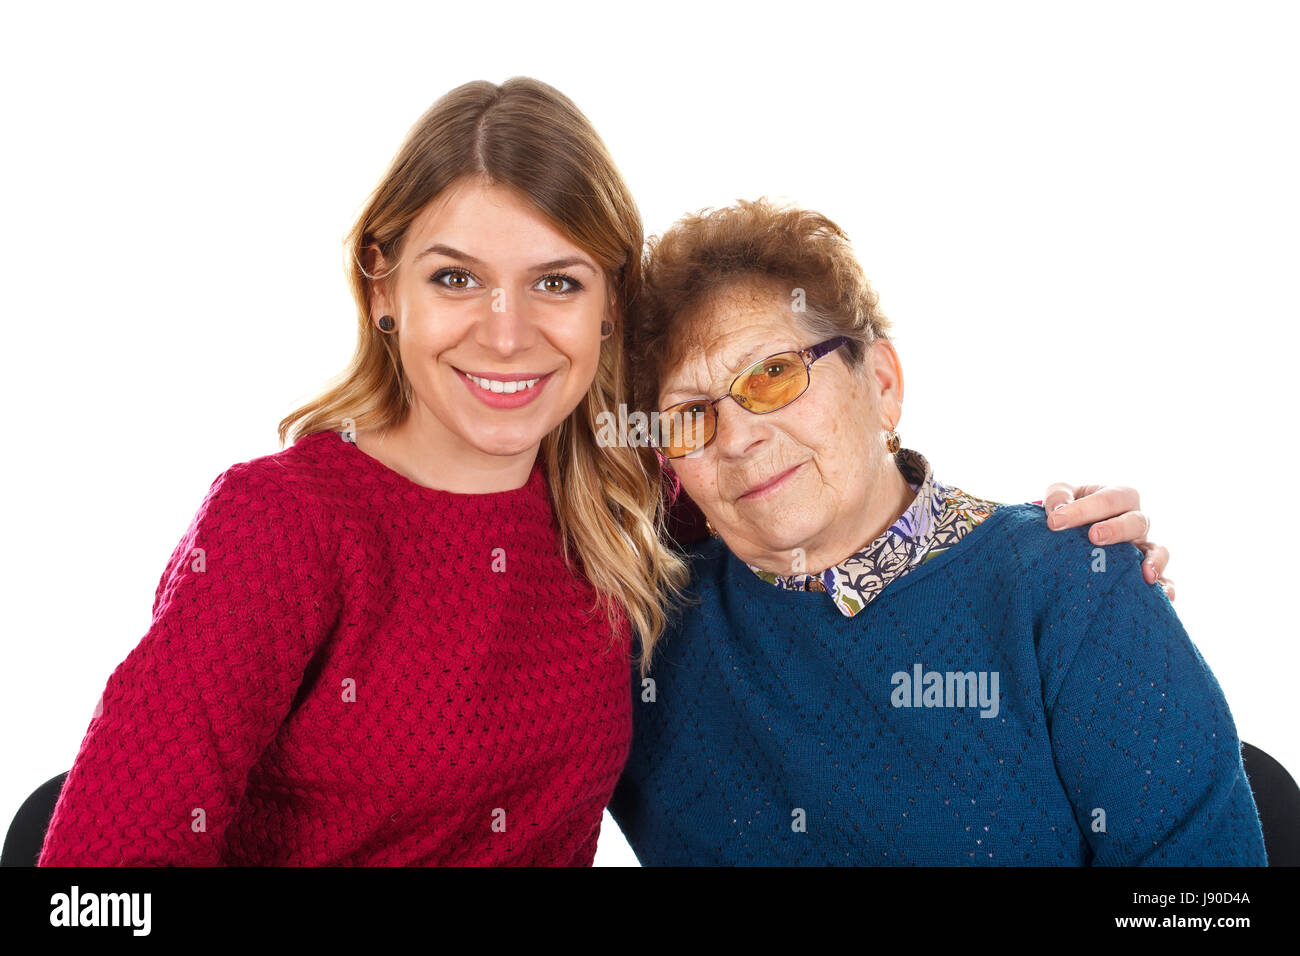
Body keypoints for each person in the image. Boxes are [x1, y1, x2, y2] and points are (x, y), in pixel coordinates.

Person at [37, 78, 1169, 867]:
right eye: (454, 278)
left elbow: (821, 489)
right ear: (381, 286)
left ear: (608, 307)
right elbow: (102, 876)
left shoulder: (632, 499)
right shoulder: (282, 523)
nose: (507, 332)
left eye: (557, 283)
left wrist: (1055, 568)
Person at [609, 198, 1265, 866]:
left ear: (883, 384)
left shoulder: (1072, 584)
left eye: (775, 374)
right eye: (691, 415)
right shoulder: (633, 643)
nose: (740, 437)